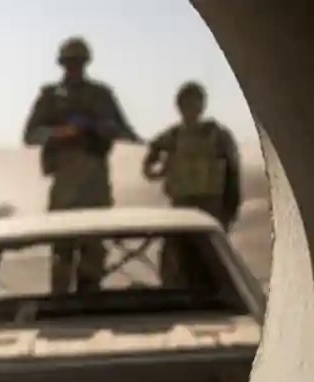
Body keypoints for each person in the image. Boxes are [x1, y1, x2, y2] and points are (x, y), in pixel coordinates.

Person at [23, 37, 140, 293]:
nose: (74, 67)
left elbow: (125, 132)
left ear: (86, 63)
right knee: (62, 255)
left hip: (94, 181)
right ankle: (60, 306)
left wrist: (100, 128)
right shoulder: (51, 96)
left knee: (92, 256)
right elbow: (30, 136)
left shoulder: (101, 95)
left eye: (78, 62)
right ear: (62, 64)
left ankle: (88, 304)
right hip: (64, 184)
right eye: (69, 62)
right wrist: (61, 132)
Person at [142, 82, 242, 230]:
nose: (190, 108)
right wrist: (163, 170)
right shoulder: (173, 135)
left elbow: (233, 172)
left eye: (194, 103)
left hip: (210, 203)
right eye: (186, 103)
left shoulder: (217, 134)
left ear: (202, 105)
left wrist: (230, 207)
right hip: (182, 203)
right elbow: (149, 165)